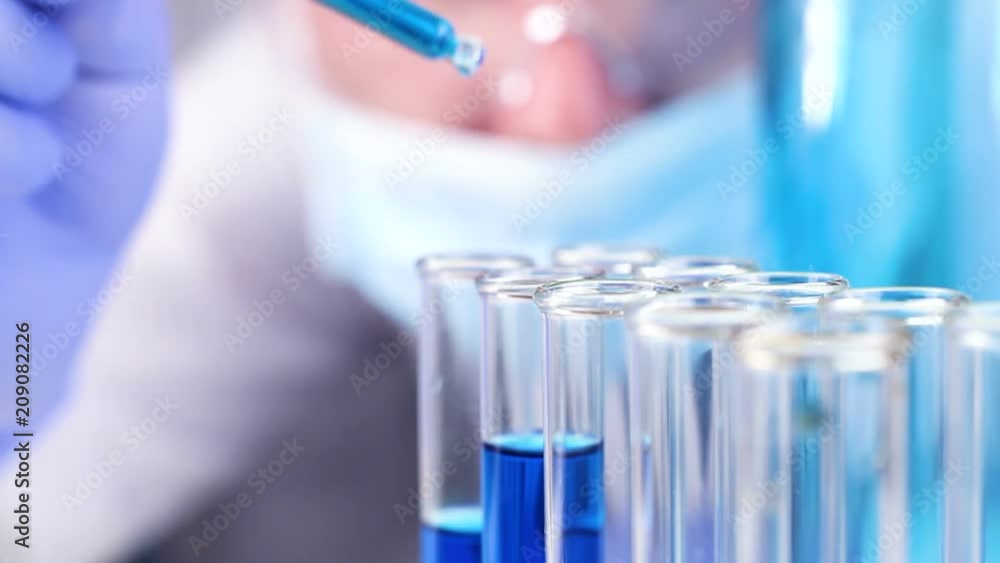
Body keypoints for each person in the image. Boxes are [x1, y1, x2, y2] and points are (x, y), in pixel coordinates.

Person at [0, 0, 996, 561]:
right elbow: (32, 514)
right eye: (477, 118)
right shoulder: (161, 170)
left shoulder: (930, 96)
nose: (560, 101)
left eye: (641, 72)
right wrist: (11, 390)